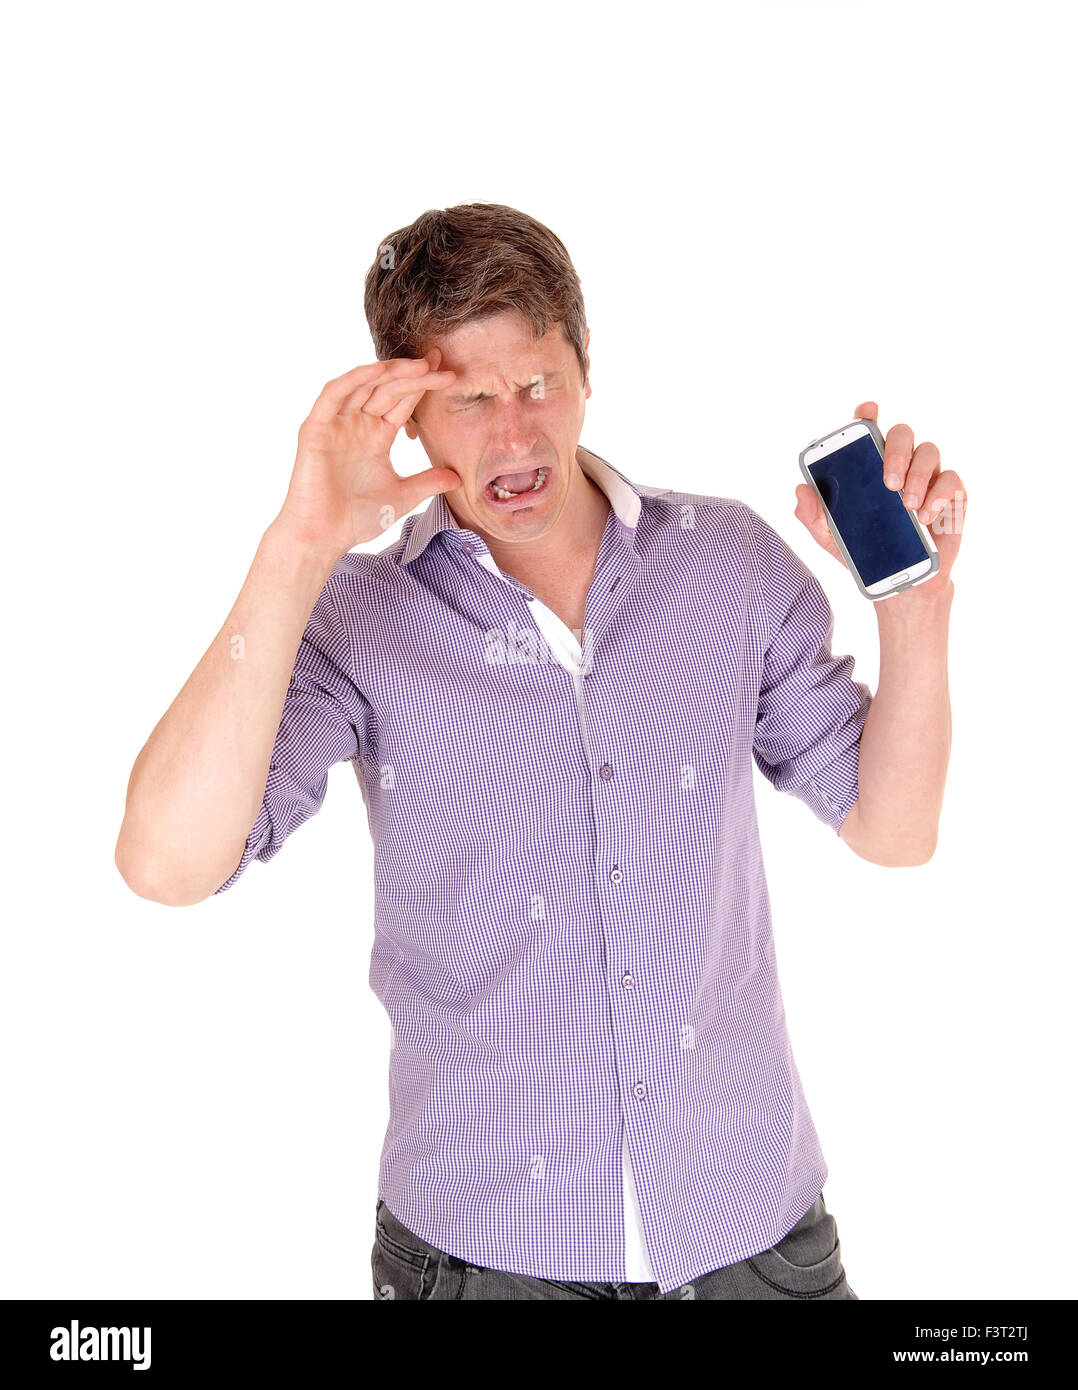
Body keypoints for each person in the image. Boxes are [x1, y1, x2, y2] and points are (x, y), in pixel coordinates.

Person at [115, 202, 961, 1300]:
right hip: (485, 1254)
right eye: (465, 399)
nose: (512, 436)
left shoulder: (731, 565)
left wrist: (919, 608)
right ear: (407, 413)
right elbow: (165, 864)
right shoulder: (354, 618)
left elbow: (893, 832)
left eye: (536, 385)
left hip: (751, 1230)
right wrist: (303, 541)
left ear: (587, 364)